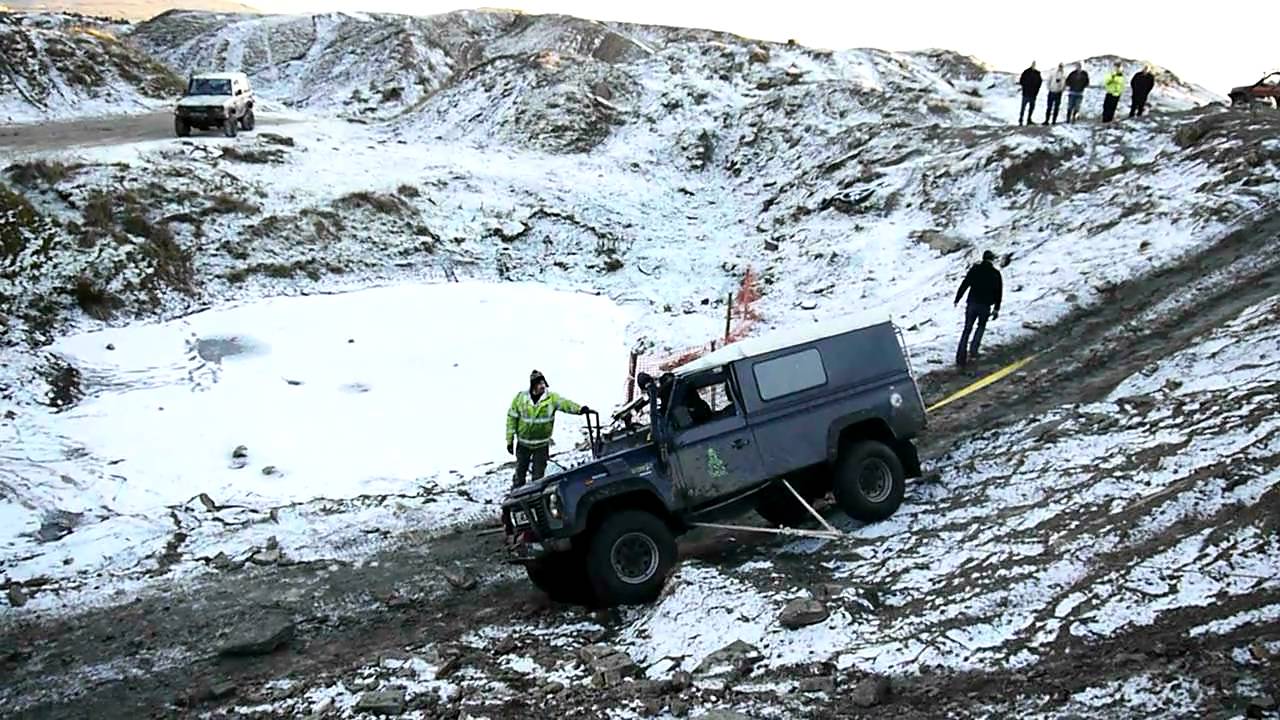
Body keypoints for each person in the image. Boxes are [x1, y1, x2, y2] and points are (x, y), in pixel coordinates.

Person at [505, 370, 590, 487]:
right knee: (520, 474)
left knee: (538, 477)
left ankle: (535, 501)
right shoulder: (521, 398)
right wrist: (509, 441)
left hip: (541, 446)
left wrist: (580, 409)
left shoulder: (552, 399)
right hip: (523, 445)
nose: (543, 386)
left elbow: (566, 404)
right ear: (533, 385)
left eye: (543, 383)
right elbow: (511, 418)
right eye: (540, 384)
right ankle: (516, 498)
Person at [953, 250, 1004, 367]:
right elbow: (998, 292)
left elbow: (965, 284)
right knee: (980, 327)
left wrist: (957, 298)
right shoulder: (995, 273)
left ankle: (961, 356)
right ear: (992, 259)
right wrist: (997, 308)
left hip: (972, 303)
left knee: (967, 329)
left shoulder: (975, 269)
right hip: (985, 305)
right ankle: (974, 351)